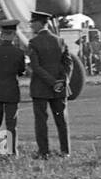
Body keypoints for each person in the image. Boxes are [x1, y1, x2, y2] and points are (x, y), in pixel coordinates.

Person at [27, 11, 72, 158]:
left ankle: (44, 152)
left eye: (32, 22)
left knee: (41, 121)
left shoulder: (34, 43)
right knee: (62, 120)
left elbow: (36, 67)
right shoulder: (60, 40)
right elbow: (68, 64)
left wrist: (52, 82)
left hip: (41, 88)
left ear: (39, 23)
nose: (31, 25)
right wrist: (62, 81)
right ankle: (66, 152)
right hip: (59, 88)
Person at [0, 20, 26, 155]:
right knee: (11, 124)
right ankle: (9, 150)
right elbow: (21, 70)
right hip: (11, 90)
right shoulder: (19, 52)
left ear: (2, 34)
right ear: (14, 34)